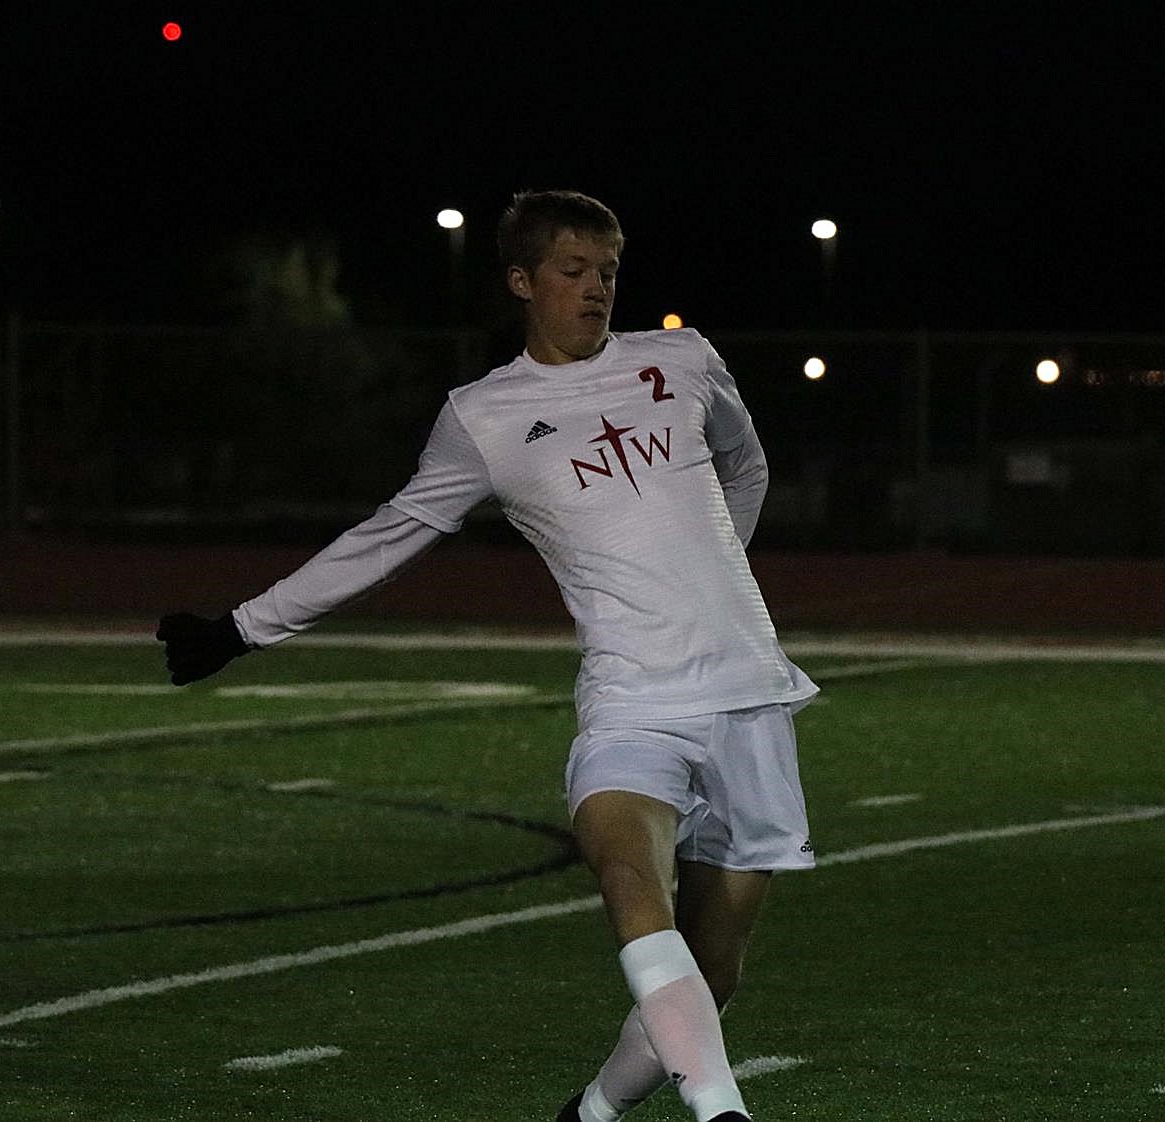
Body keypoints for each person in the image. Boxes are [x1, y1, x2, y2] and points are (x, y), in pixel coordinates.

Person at [157, 189, 817, 1122]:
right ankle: (727, 1118)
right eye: (573, 272)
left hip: (751, 697)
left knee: (712, 977)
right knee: (628, 874)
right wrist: (242, 626)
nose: (596, 291)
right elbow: (389, 535)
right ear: (522, 281)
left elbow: (744, 464)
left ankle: (588, 1114)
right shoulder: (486, 417)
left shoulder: (683, 357)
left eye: (609, 273)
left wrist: (713, 576)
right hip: (632, 704)